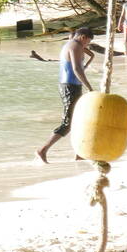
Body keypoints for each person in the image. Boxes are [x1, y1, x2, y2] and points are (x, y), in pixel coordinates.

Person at [36, 27, 95, 163]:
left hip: (71, 86)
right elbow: (76, 68)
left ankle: (79, 154)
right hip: (70, 87)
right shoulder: (74, 46)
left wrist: (88, 60)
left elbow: (85, 60)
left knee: (77, 120)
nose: (87, 45)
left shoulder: (74, 44)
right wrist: (89, 87)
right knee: (68, 123)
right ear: (83, 37)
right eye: (88, 42)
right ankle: (43, 150)